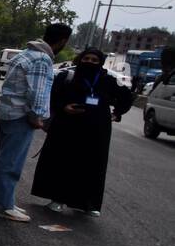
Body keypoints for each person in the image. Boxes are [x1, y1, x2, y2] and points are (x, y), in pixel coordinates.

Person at [30, 48, 132, 216]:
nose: (90, 62)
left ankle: (87, 203)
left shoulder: (108, 80)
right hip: (67, 127)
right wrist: (64, 106)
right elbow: (51, 96)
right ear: (80, 59)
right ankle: (57, 199)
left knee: (91, 165)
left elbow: (127, 96)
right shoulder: (67, 76)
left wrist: (117, 112)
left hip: (96, 130)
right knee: (63, 161)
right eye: (87, 58)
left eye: (94, 60)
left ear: (100, 62)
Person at [0, 23, 72, 222]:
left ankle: (2, 200)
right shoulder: (42, 59)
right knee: (11, 162)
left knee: (5, 159)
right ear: (63, 41)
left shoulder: (26, 54)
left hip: (9, 112)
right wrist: (38, 117)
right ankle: (1, 205)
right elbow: (37, 92)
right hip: (21, 116)